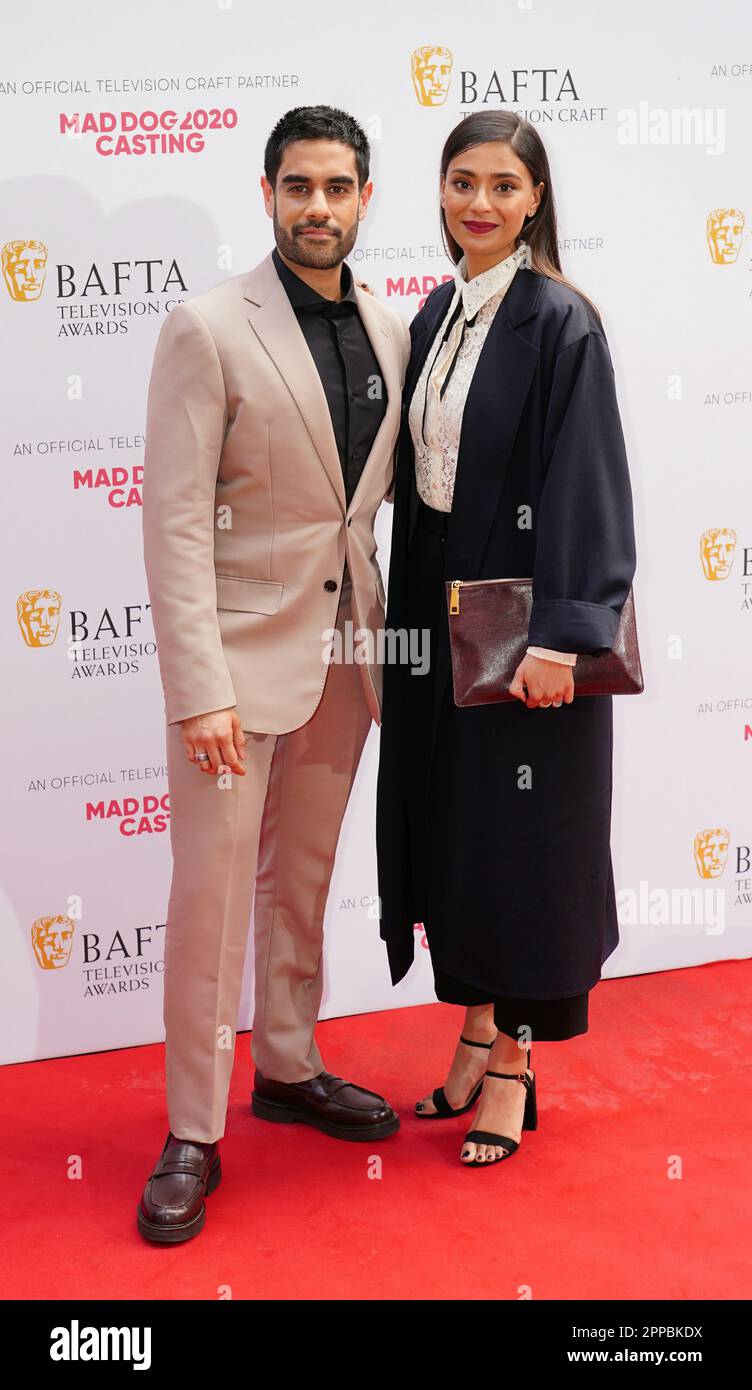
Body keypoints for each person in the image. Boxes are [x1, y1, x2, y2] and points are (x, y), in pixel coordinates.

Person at [138, 105, 410, 1242]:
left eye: (338, 187)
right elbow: (173, 519)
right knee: (209, 902)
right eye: (298, 186)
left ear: (362, 198)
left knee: (298, 880)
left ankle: (287, 1066)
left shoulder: (393, 333)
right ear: (266, 193)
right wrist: (197, 684)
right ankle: (193, 1129)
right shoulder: (207, 327)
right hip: (235, 669)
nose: (318, 207)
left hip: (347, 663)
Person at [376, 111, 637, 1169]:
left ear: (534, 200)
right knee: (454, 831)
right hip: (432, 605)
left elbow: (584, 487)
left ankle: (516, 1066)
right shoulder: (437, 310)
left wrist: (559, 639)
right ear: (438, 193)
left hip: (521, 629)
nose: (477, 202)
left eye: (501, 185)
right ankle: (474, 1028)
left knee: (523, 848)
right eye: (459, 181)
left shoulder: (560, 320)